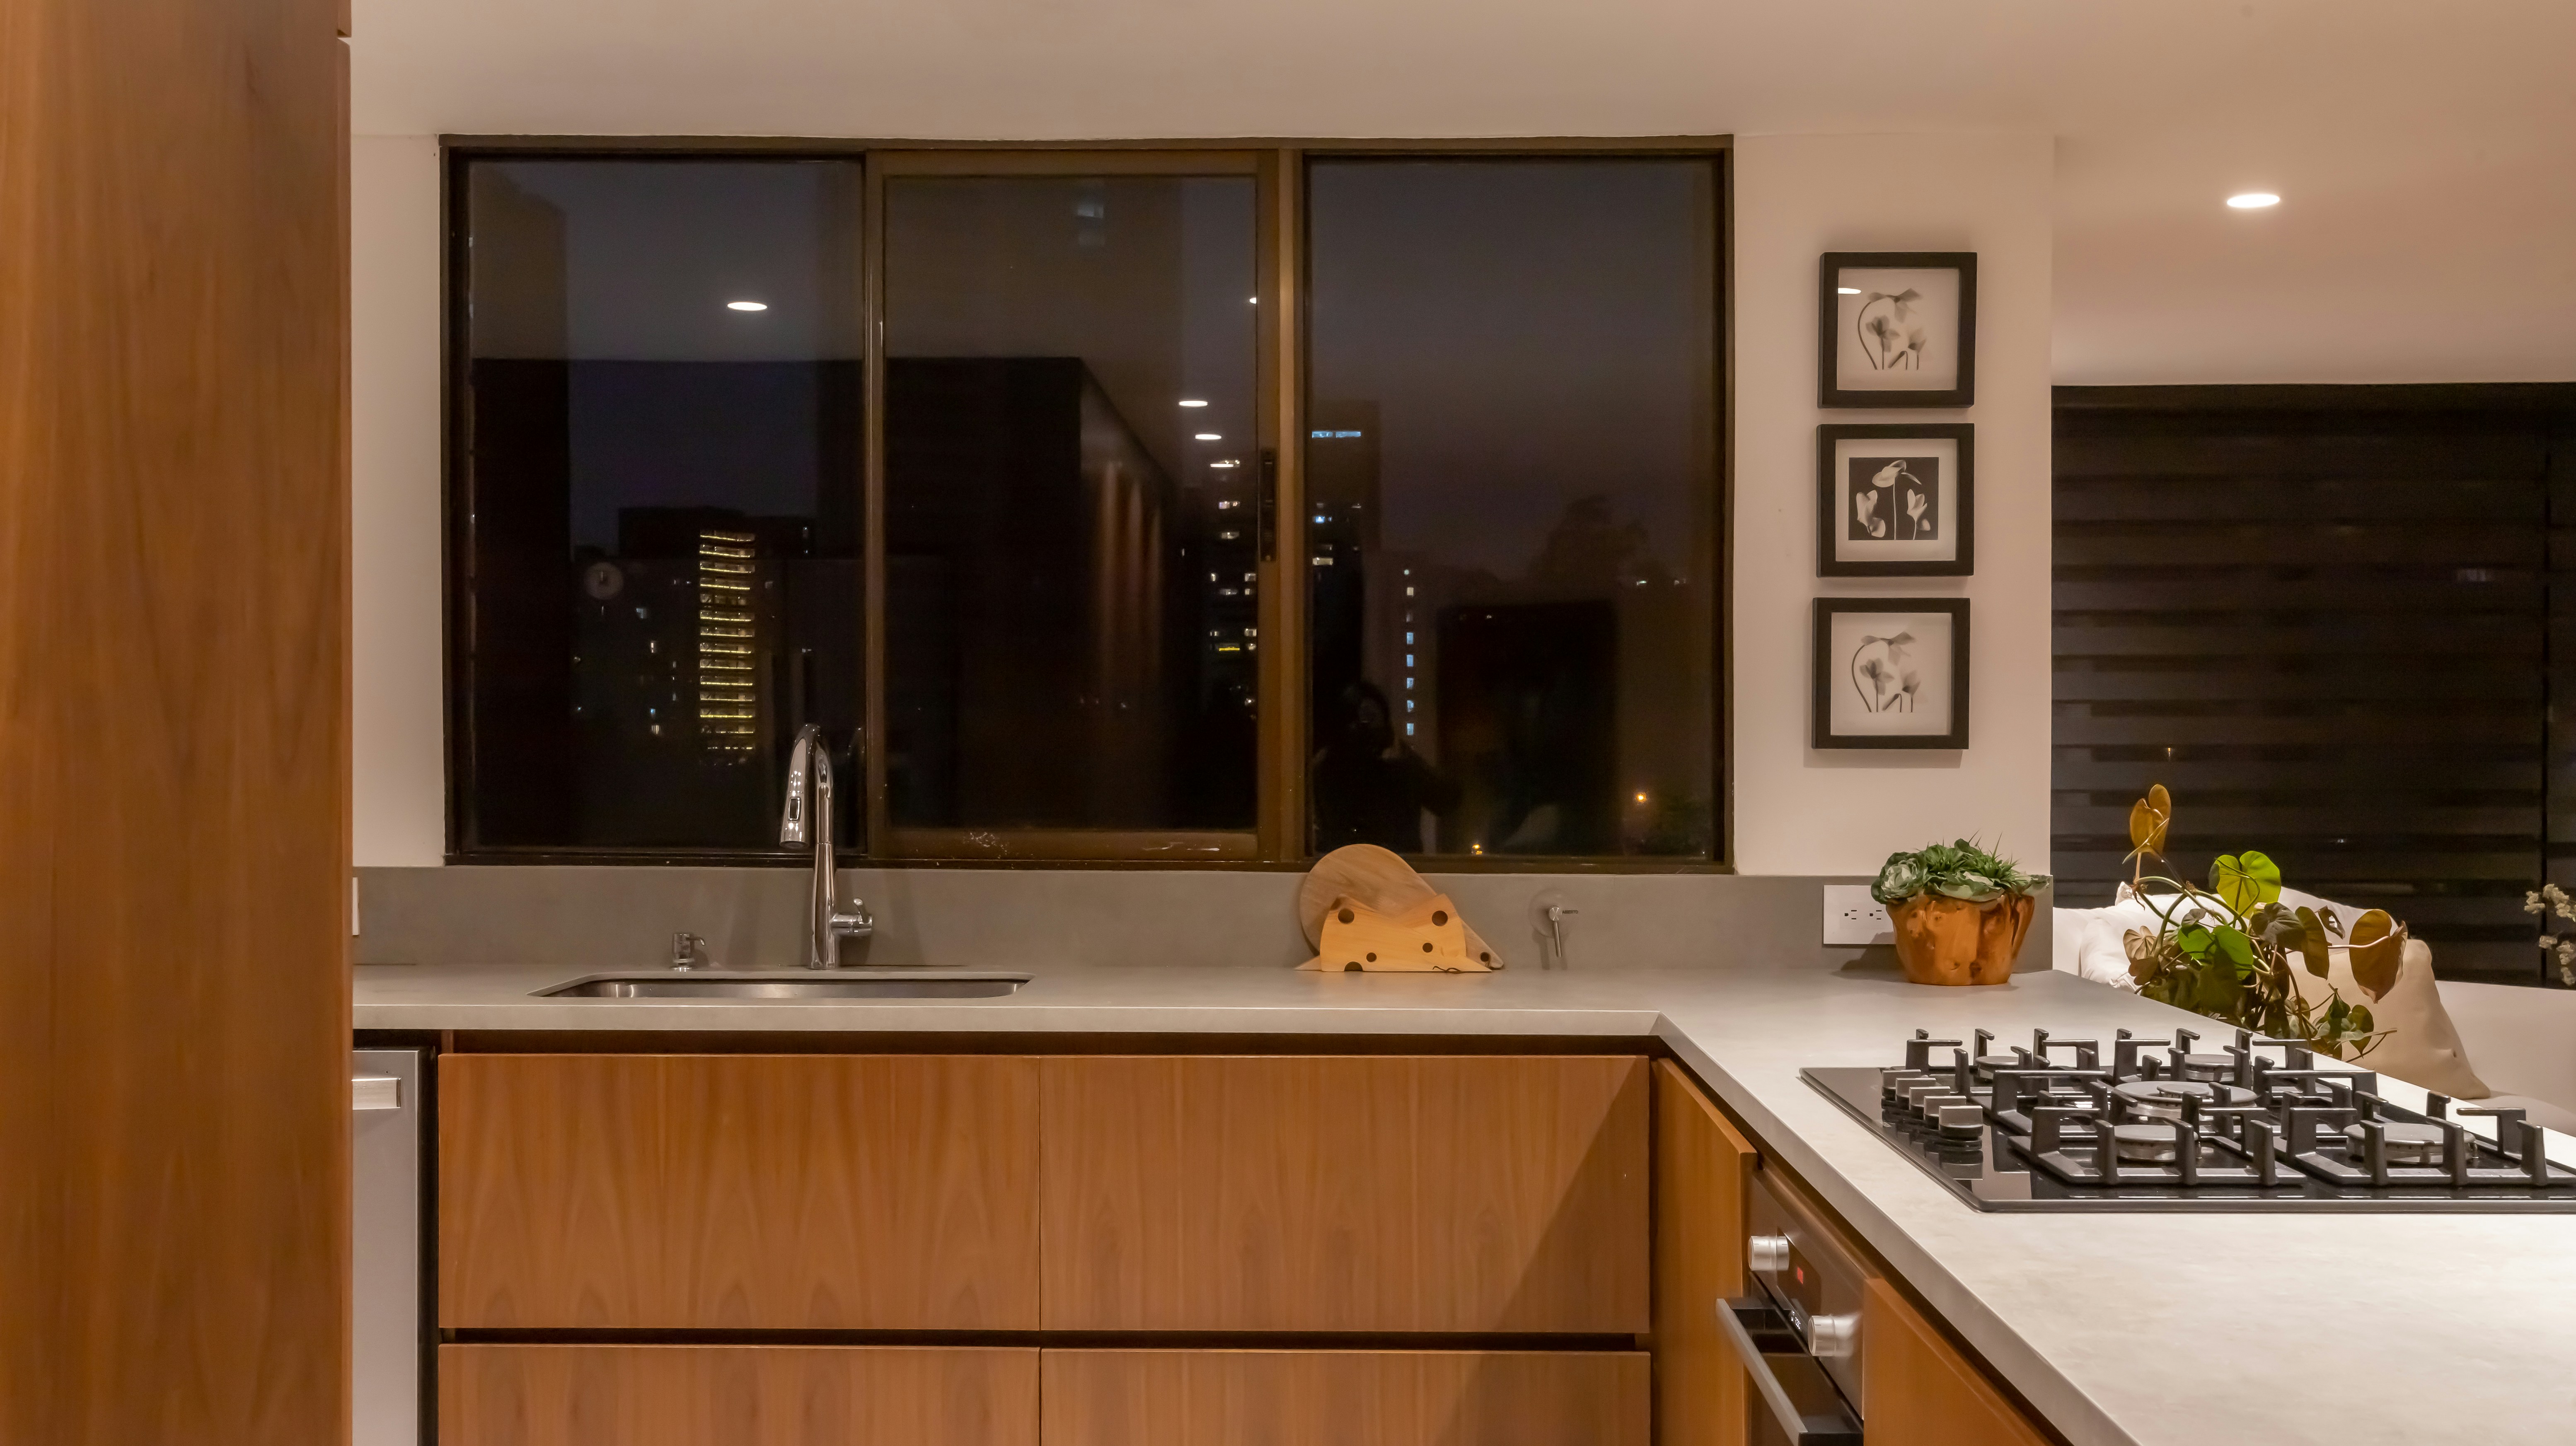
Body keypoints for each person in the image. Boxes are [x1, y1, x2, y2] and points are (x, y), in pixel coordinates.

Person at [1310, 680, 1461, 853]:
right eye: (1356, 721)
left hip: (1396, 868)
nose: (1363, 729)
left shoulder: (1401, 763)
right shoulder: (1329, 767)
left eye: (1371, 719)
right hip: (1350, 868)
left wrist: (1406, 763)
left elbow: (1447, 800)